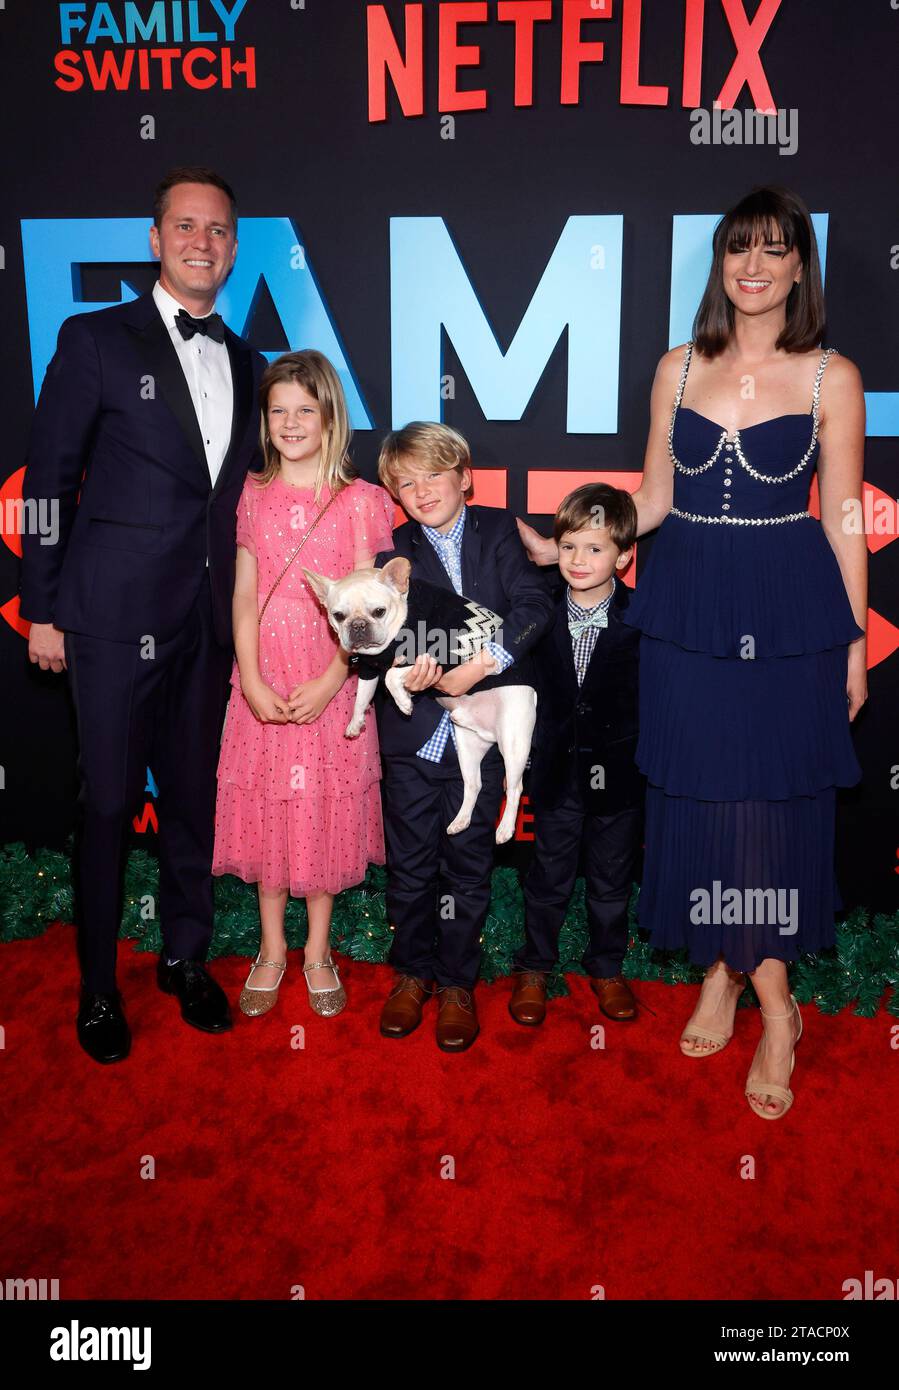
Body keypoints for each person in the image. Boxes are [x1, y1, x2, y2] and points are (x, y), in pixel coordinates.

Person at [518, 186, 867, 1118]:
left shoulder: (831, 374)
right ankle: (720, 969)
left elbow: (841, 519)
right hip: (687, 604)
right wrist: (583, 539)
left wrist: (854, 642)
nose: (753, 267)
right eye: (737, 250)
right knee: (698, 797)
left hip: (789, 609)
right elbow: (655, 494)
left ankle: (776, 1005)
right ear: (720, 265)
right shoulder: (676, 368)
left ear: (800, 265)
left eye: (773, 250)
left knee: (771, 805)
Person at [19, 166, 268, 1064]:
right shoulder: (94, 339)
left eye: (220, 229)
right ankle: (95, 987)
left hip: (206, 625)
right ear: (155, 240)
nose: (204, 241)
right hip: (112, 619)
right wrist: (42, 609)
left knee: (193, 802)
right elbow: (46, 482)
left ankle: (184, 957)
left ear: (235, 249)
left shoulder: (248, 361)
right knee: (112, 801)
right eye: (187, 226)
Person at [212, 351, 395, 1018]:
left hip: (331, 676)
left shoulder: (359, 501)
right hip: (262, 671)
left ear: (329, 418)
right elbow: (242, 592)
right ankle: (270, 949)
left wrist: (331, 679)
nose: (290, 423)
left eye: (304, 411)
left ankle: (317, 950)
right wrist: (251, 677)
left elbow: (368, 606)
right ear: (265, 420)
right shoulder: (252, 494)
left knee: (321, 809)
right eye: (278, 410)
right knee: (267, 810)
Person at [374, 423, 554, 1051]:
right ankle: (411, 975)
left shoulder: (501, 530)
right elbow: (378, 633)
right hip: (415, 740)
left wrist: (481, 663)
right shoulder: (389, 551)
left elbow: (534, 605)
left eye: (431, 475)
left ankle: (456, 983)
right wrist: (409, 667)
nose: (420, 490)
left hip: (481, 734)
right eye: (404, 482)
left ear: (464, 476)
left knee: (470, 868)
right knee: (411, 867)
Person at [510, 483, 645, 1027]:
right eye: (568, 547)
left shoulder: (642, 619)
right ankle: (535, 967)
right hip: (557, 772)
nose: (580, 560)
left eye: (595, 549)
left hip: (620, 778)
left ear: (624, 556)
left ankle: (607, 967)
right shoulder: (537, 614)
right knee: (548, 875)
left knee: (612, 881)